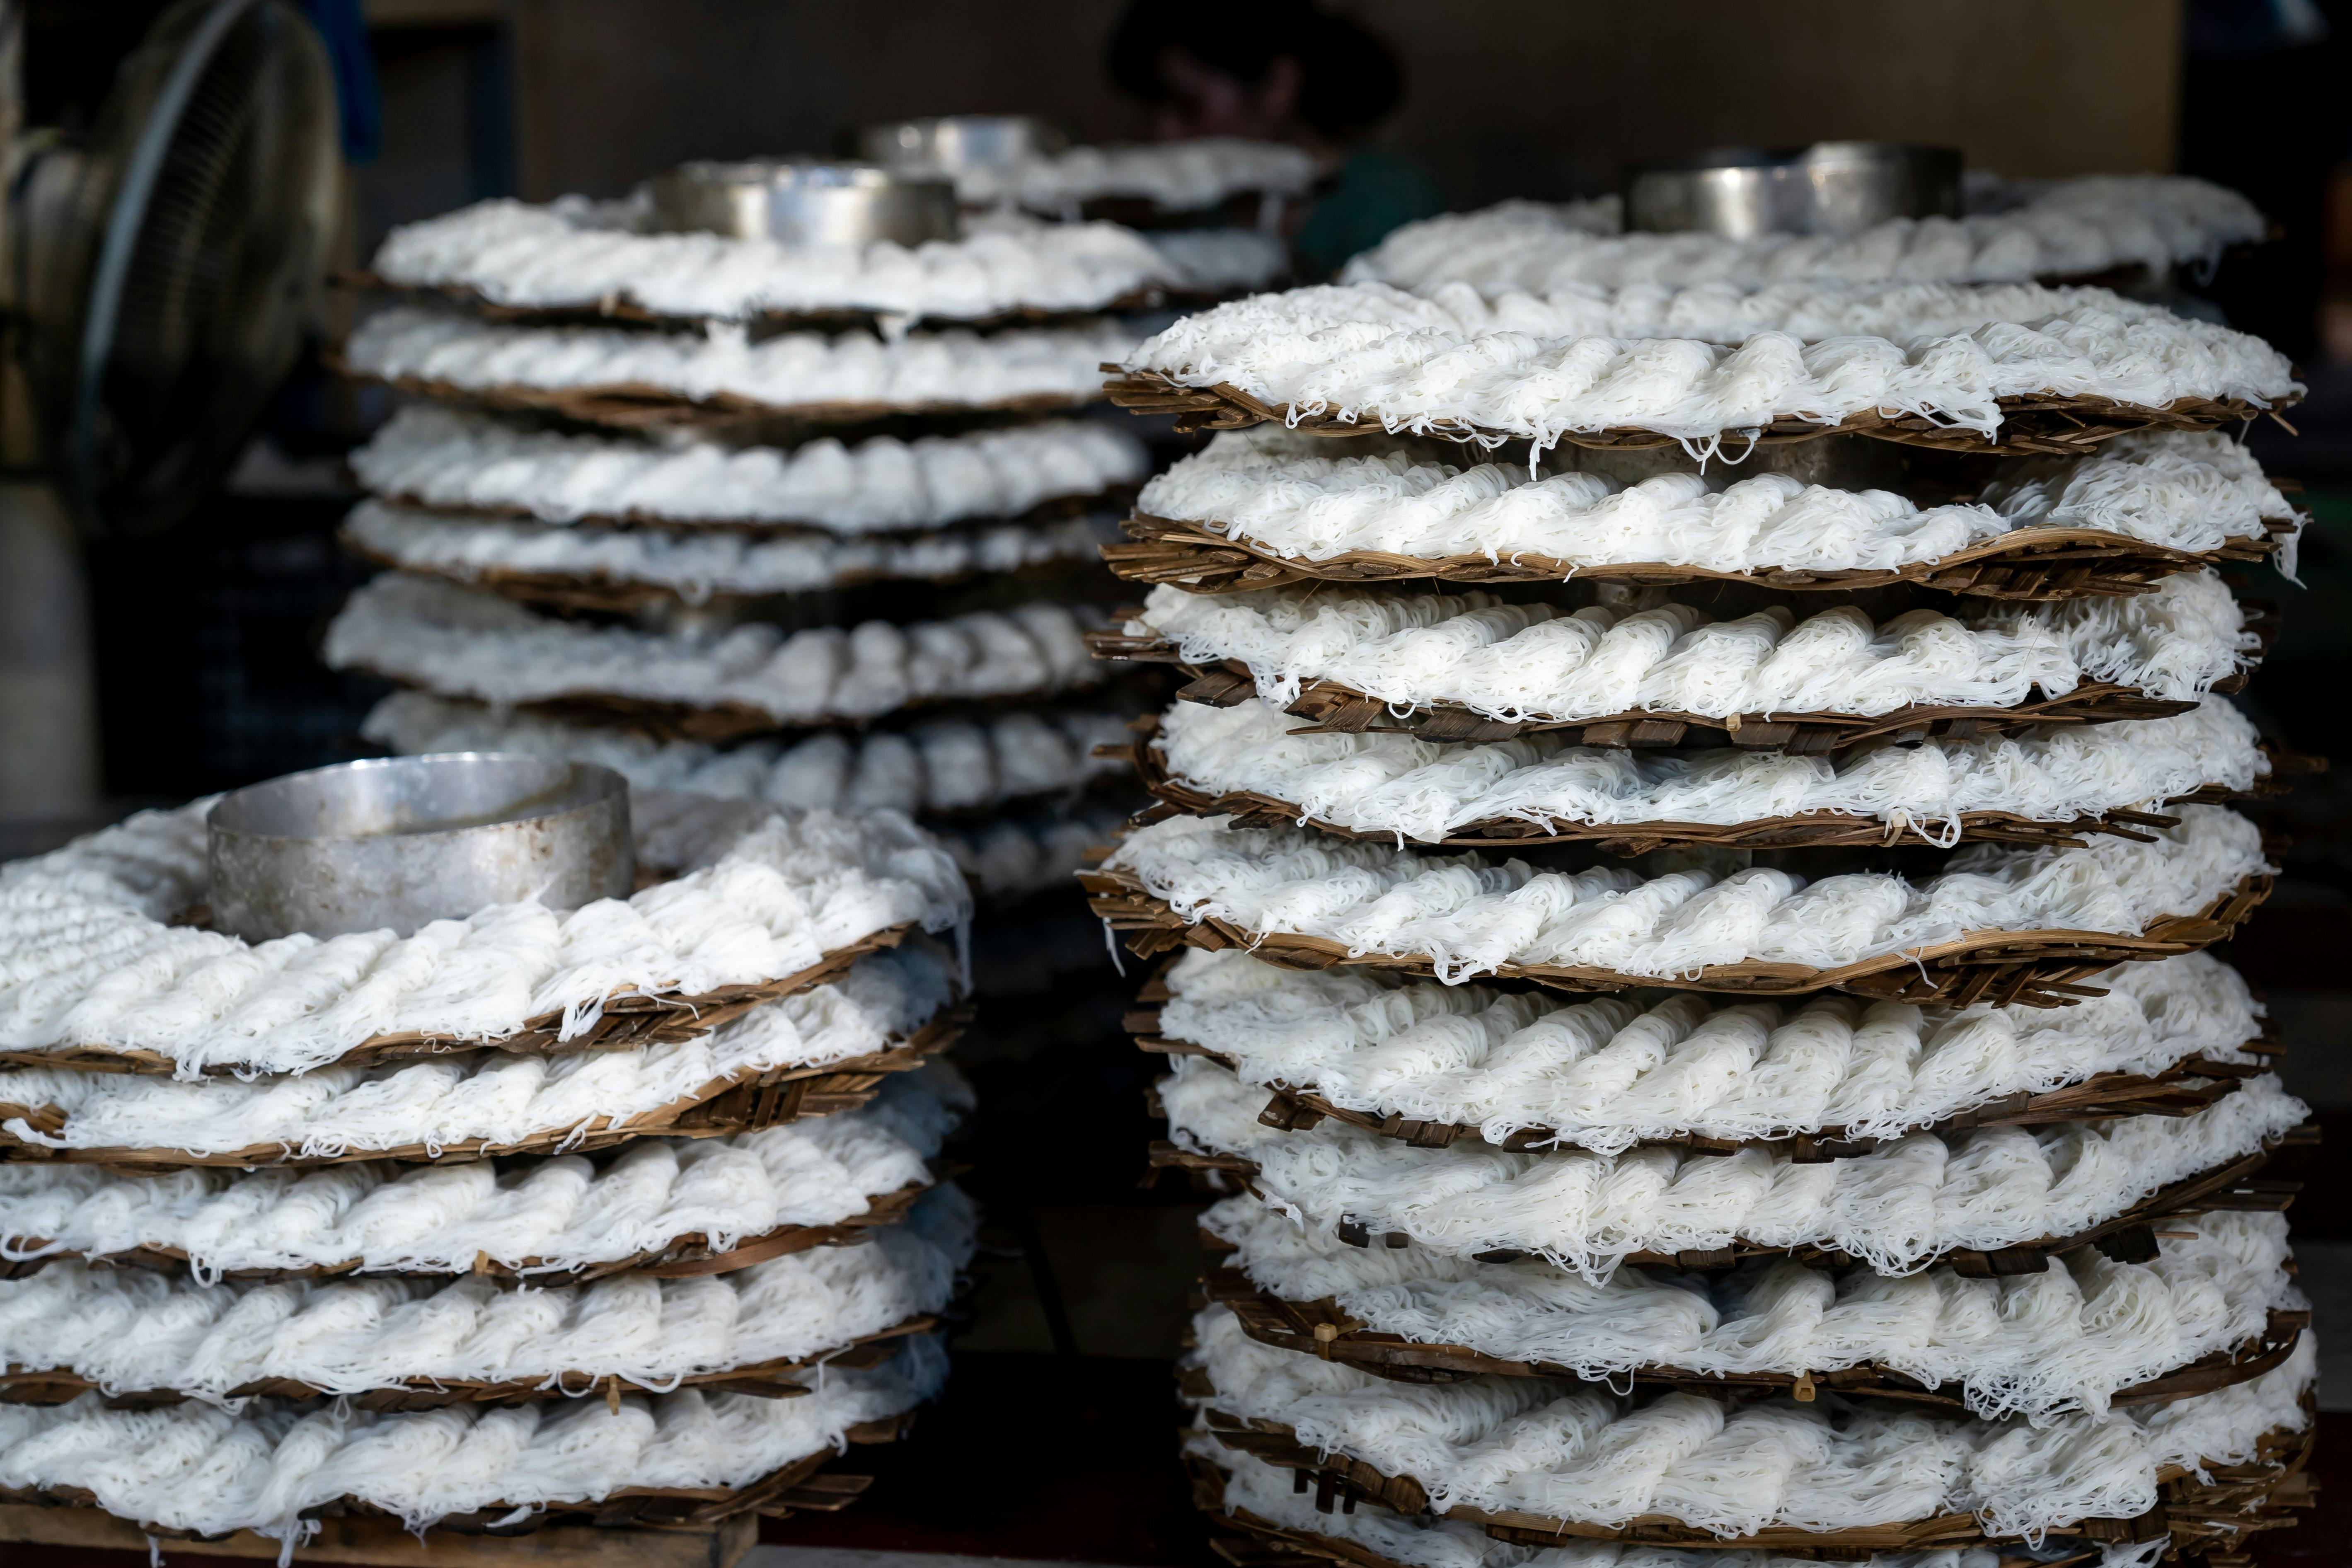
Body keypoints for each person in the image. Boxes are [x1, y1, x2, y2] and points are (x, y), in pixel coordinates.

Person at [1106, 2, 1444, 278]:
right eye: (1151, 112)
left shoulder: (1389, 205)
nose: (1164, 132)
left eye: (1189, 106)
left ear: (1278, 86)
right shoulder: (1201, 210)